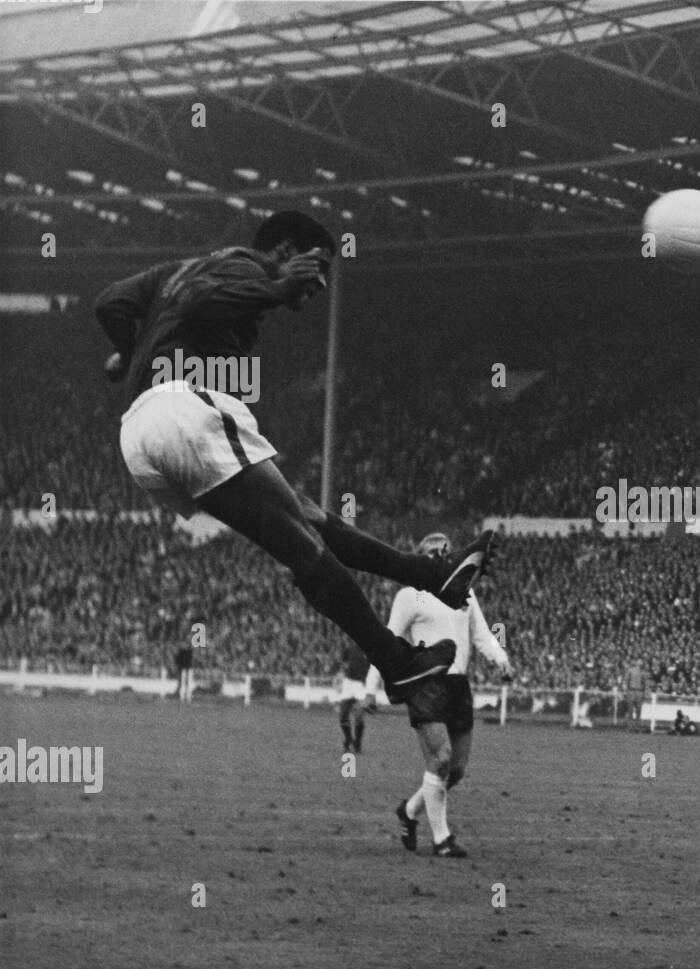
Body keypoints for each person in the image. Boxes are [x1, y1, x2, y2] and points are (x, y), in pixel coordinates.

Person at [93, 211, 494, 709]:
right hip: (183, 408)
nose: (322, 281)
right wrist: (277, 288)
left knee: (304, 517)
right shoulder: (245, 266)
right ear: (283, 250)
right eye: (318, 264)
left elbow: (109, 302)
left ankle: (429, 579)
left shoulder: (173, 270)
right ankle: (397, 661)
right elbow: (200, 303)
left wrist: (131, 353)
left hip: (139, 435)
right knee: (303, 540)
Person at [375, 534, 511, 860]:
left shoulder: (464, 593)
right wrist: (370, 687)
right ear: (421, 558)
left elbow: (481, 635)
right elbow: (387, 641)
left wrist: (502, 659)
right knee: (442, 758)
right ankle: (442, 839)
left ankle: (408, 811)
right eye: (435, 553)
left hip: (458, 686)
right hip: (426, 684)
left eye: (446, 553)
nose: (442, 557)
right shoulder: (411, 596)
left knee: (457, 769)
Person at [335, 642, 372, 754]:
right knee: (343, 715)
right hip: (348, 683)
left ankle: (357, 746)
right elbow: (343, 661)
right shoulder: (350, 647)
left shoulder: (370, 649)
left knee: (359, 715)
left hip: (361, 685)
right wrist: (344, 670)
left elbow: (374, 668)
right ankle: (348, 739)